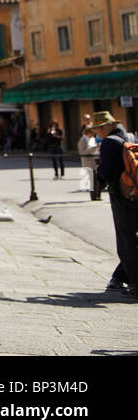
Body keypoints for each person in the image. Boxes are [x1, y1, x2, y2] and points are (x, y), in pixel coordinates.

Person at [93, 111, 137, 297]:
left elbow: (107, 173)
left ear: (105, 127)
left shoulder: (109, 142)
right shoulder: (129, 136)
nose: (97, 133)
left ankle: (135, 284)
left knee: (126, 241)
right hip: (136, 191)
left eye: (97, 130)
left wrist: (99, 172)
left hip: (121, 195)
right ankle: (119, 278)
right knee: (133, 239)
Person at [77, 116, 100, 196]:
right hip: (88, 161)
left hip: (94, 160)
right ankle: (93, 195)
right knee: (92, 179)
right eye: (91, 134)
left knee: (96, 179)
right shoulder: (82, 141)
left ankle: (97, 194)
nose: (92, 136)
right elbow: (83, 151)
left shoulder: (90, 139)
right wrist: (94, 148)